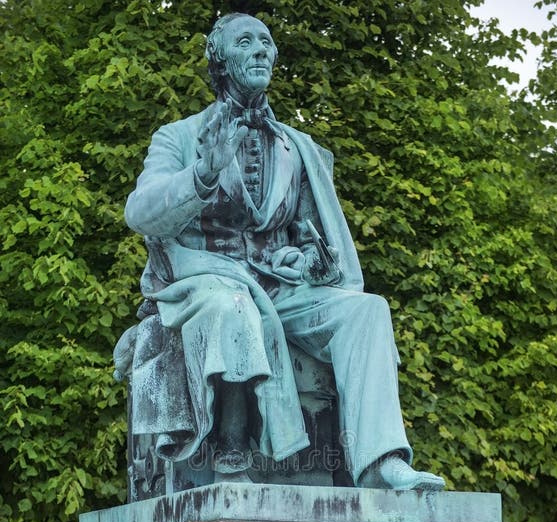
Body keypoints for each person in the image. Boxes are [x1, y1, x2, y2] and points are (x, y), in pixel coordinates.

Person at [120, 12, 444, 491]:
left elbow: (316, 243)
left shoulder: (297, 147)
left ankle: (381, 463)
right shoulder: (181, 137)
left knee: (366, 311)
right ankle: (230, 456)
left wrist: (308, 260)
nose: (261, 51)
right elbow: (141, 212)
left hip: (278, 286)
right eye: (245, 42)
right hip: (205, 278)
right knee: (231, 304)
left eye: (267, 43)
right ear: (220, 61)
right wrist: (201, 176)